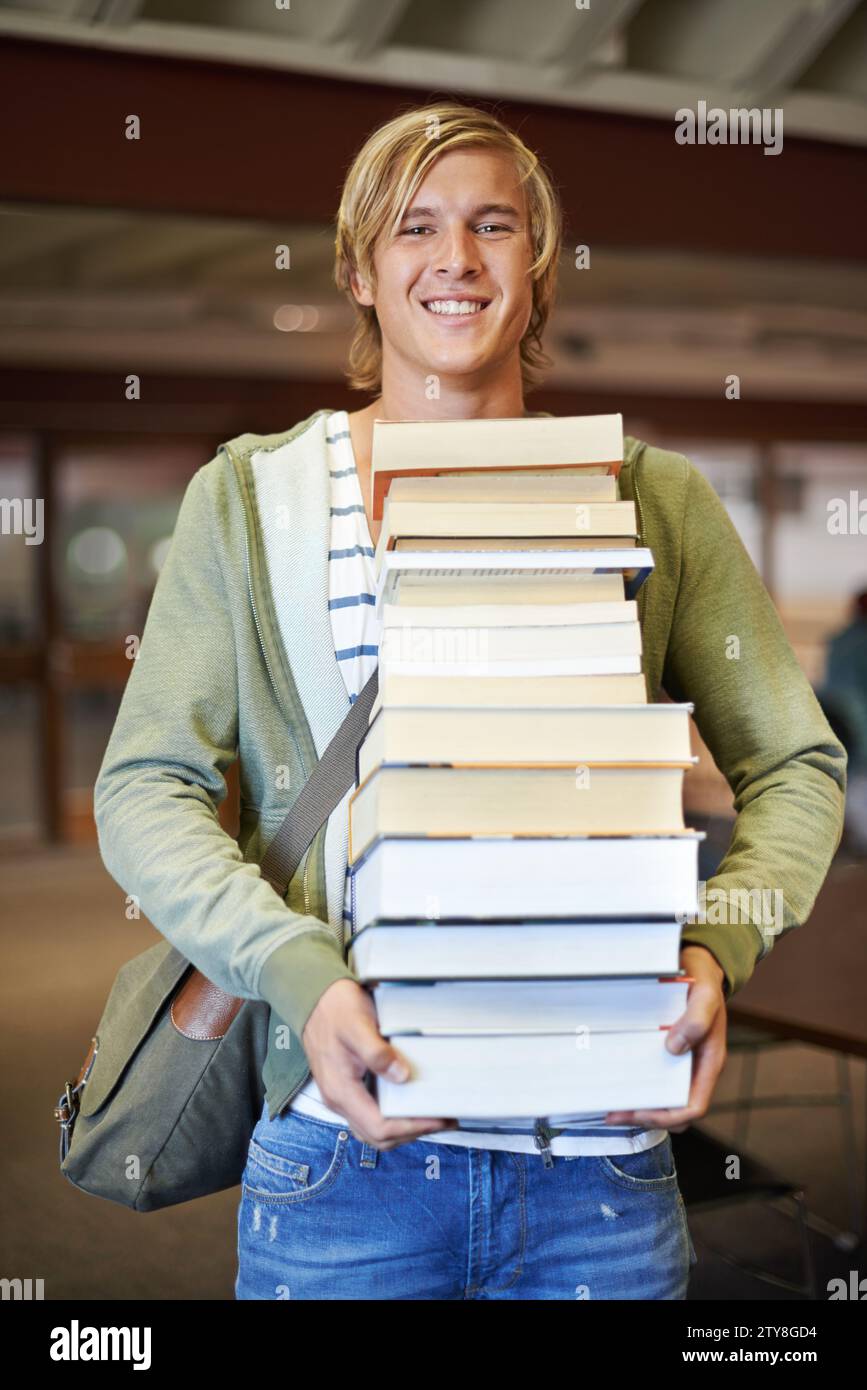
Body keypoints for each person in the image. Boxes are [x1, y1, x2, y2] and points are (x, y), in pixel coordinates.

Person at [93, 102, 847, 1300]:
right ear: (357, 268)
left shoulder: (653, 497)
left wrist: (720, 944)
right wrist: (294, 968)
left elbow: (798, 765)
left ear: (537, 267)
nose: (456, 259)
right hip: (344, 1158)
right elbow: (146, 789)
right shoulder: (252, 498)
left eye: (494, 225)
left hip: (599, 1159)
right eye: (414, 228)